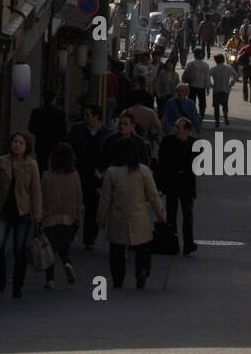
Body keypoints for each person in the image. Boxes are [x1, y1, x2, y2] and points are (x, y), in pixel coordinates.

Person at [97, 137, 167, 289]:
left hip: (118, 216)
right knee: (143, 247)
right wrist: (161, 214)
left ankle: (118, 279)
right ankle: (142, 270)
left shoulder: (112, 172)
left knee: (117, 250)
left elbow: (105, 198)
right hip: (139, 215)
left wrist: (101, 218)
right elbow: (153, 195)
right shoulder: (143, 171)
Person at [0, 130, 43, 298]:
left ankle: (17, 286)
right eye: (15, 142)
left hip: (22, 211)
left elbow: (36, 191)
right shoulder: (2, 161)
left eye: (21, 143)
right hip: (3, 209)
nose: (17, 145)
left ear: (26, 147)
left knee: (20, 250)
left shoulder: (32, 165)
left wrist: (37, 215)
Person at [68, 104, 112, 249]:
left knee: (93, 207)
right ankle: (69, 233)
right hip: (79, 173)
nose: (85, 117)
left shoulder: (106, 133)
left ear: (96, 117)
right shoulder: (77, 130)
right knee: (74, 205)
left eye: (88, 114)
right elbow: (70, 149)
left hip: (97, 175)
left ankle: (89, 239)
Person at [41, 142, 84, 289]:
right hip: (69, 218)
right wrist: (78, 217)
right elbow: (79, 197)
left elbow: (42, 196)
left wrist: (40, 215)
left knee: (49, 251)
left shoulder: (47, 176)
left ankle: (50, 280)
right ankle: (67, 263)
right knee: (64, 248)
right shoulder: (74, 176)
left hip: (49, 218)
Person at [157, 117, 198, 255]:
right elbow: (161, 164)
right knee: (171, 216)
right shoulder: (167, 141)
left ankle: (188, 244)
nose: (176, 130)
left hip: (186, 185)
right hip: (172, 184)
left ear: (187, 130)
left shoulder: (195, 144)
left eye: (179, 128)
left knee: (188, 216)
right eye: (175, 126)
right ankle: (171, 244)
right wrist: (160, 185)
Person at [97, 109, 150, 174]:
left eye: (125, 124)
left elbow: (144, 161)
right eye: (120, 123)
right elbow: (102, 160)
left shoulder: (139, 141)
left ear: (132, 126)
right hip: (113, 173)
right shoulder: (110, 140)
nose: (122, 126)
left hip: (133, 173)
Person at [27, 89, 67, 173]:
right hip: (55, 144)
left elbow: (31, 128)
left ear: (43, 99)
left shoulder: (36, 112)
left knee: (41, 167)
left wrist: (40, 133)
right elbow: (64, 131)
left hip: (41, 143)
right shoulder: (60, 113)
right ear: (54, 99)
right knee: (54, 167)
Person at [209, 52, 237, 128]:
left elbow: (207, 77)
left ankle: (217, 121)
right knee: (225, 105)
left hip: (216, 90)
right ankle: (226, 118)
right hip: (226, 89)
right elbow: (235, 75)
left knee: (216, 107)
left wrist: (211, 85)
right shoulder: (228, 68)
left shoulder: (213, 69)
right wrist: (231, 83)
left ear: (216, 60)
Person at [182, 47, 211, 120]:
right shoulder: (205, 65)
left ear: (194, 55)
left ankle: (191, 115)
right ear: (202, 55)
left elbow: (185, 75)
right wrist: (207, 88)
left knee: (191, 102)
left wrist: (183, 85)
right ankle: (201, 115)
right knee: (202, 103)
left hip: (191, 86)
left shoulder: (190, 64)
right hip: (201, 87)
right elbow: (207, 78)